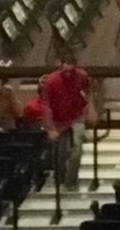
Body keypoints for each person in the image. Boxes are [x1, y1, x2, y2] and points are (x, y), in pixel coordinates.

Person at [38, 57, 91, 187]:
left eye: (71, 71)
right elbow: (46, 105)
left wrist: (91, 110)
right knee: (61, 152)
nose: (68, 75)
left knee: (77, 150)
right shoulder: (51, 81)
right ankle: (60, 177)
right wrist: (50, 128)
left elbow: (88, 92)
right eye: (65, 71)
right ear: (60, 67)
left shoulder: (82, 76)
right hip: (58, 120)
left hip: (77, 117)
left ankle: (71, 181)